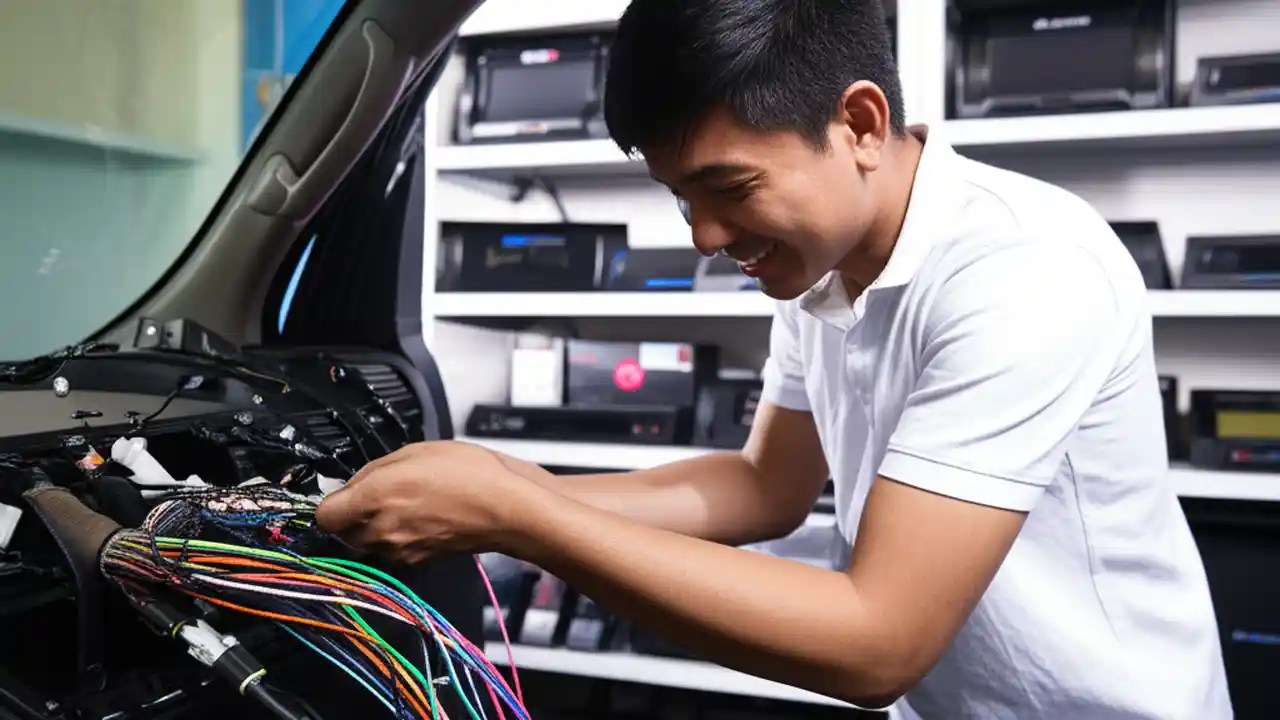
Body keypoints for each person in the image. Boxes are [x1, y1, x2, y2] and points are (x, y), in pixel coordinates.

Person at [316, 0, 1232, 716]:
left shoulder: (1026, 270)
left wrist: (522, 516)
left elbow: (878, 643)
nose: (707, 237)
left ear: (861, 125)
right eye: (681, 199)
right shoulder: (820, 261)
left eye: (729, 187)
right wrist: (502, 481)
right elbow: (766, 486)